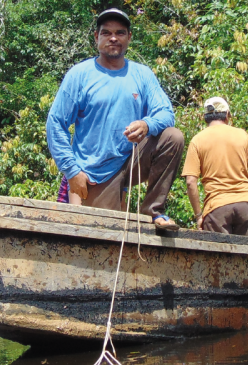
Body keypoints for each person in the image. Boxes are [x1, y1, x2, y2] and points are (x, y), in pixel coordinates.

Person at [46, 8, 184, 230]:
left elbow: (166, 113)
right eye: (106, 33)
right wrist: (72, 171)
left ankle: (153, 211)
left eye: (120, 33)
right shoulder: (79, 75)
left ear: (129, 37)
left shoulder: (142, 74)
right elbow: (55, 123)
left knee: (172, 137)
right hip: (96, 171)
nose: (113, 38)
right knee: (102, 234)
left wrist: (147, 124)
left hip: (133, 158)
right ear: (96, 37)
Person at [181, 96, 248, 234]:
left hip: (216, 208)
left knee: (218, 248)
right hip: (245, 206)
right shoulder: (242, 135)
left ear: (205, 117)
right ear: (227, 115)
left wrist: (199, 216)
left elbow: (190, 182)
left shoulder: (197, 140)